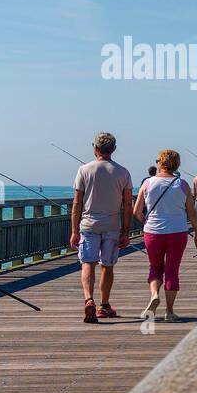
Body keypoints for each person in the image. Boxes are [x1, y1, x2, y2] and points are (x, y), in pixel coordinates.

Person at [133, 149, 197, 322]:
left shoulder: (148, 183)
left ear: (159, 163)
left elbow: (136, 211)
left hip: (153, 233)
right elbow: (192, 213)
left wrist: (146, 223)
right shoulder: (182, 184)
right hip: (177, 232)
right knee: (172, 270)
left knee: (155, 266)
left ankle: (155, 294)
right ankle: (169, 312)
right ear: (176, 164)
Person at [71, 132, 133, 323]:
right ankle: (104, 305)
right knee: (107, 265)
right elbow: (128, 204)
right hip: (112, 225)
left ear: (95, 148)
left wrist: (74, 231)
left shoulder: (84, 170)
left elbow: (77, 203)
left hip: (89, 224)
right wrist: (125, 232)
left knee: (88, 262)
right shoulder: (123, 172)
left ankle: (89, 299)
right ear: (113, 149)